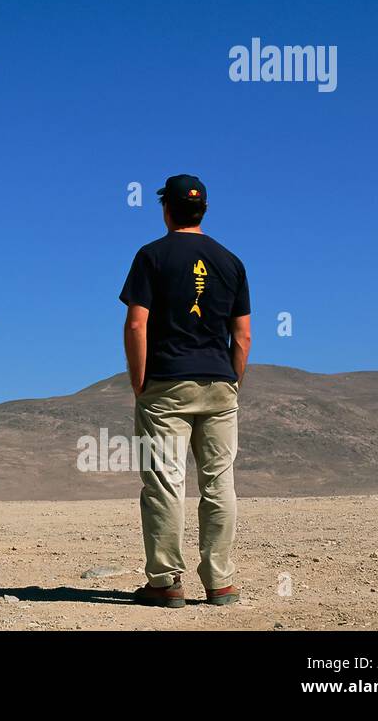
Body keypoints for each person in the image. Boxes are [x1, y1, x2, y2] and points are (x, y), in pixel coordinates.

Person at [118, 174, 251, 608]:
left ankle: (165, 582)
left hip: (166, 384)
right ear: (204, 210)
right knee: (219, 483)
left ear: (166, 209)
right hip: (219, 385)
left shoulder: (151, 256)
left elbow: (137, 323)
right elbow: (243, 335)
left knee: (164, 483)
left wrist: (139, 381)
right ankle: (221, 583)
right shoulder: (230, 262)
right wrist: (231, 381)